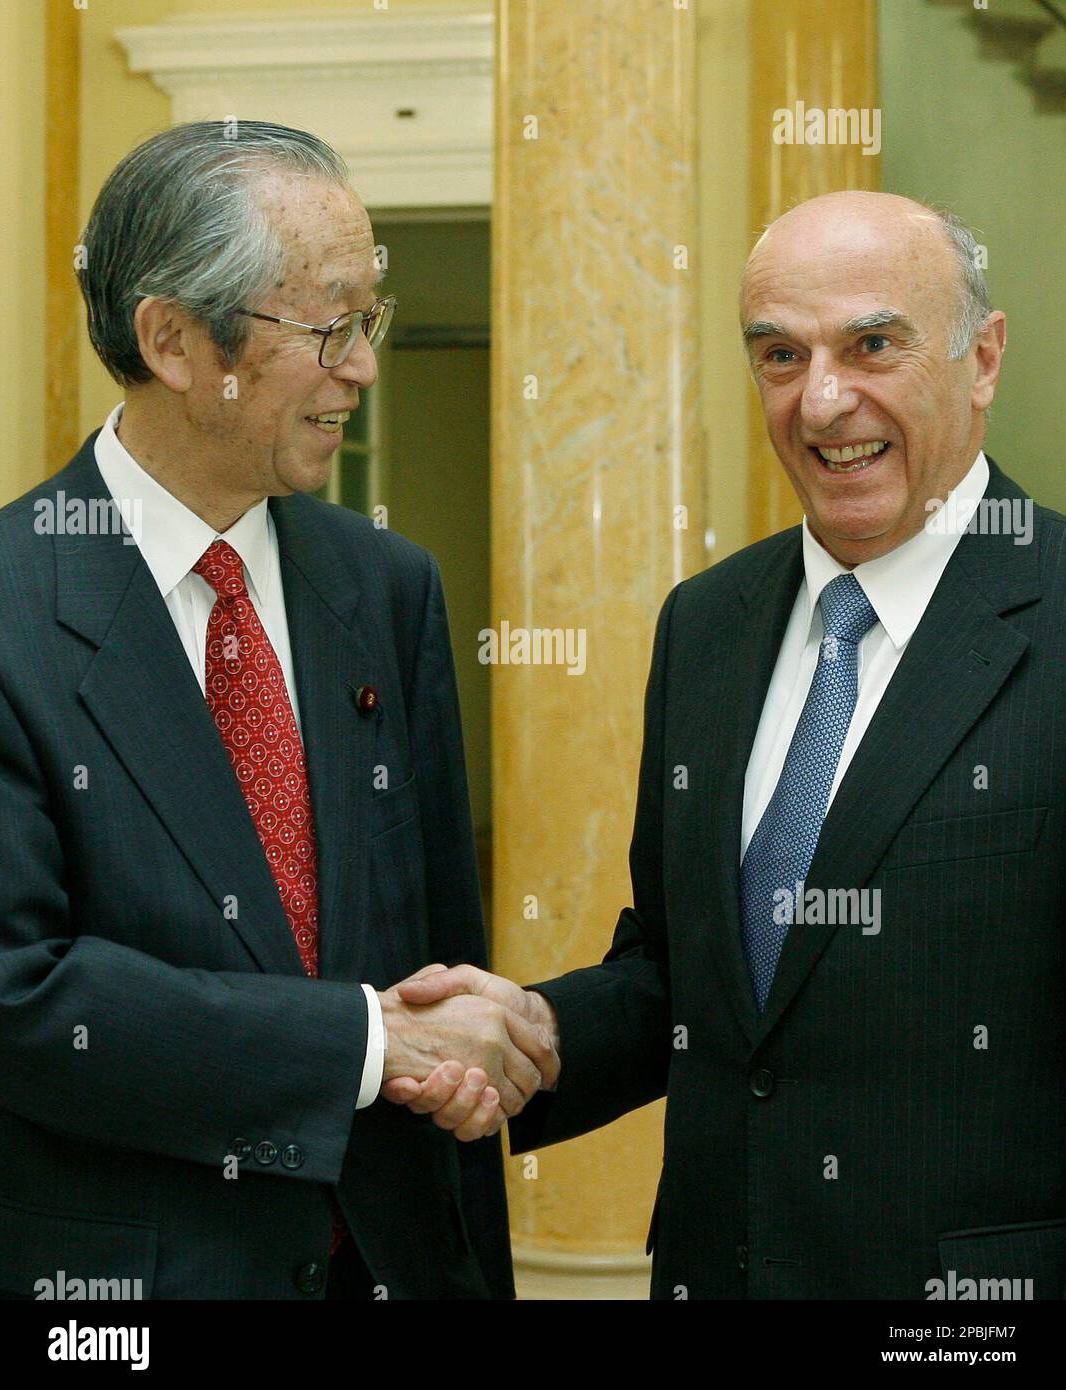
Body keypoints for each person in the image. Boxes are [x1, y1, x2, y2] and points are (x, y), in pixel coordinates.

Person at [384, 191, 1066, 1300]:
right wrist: (537, 1028)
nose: (824, 399)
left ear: (982, 357)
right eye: (780, 355)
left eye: (874, 344)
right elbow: (685, 972)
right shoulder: (706, 623)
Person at [0, 120, 556, 1301]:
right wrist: (364, 1043)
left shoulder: (386, 586)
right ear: (174, 340)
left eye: (371, 321)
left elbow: (442, 959)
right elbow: (23, 994)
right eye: (328, 326)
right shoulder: (15, 606)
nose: (362, 367)